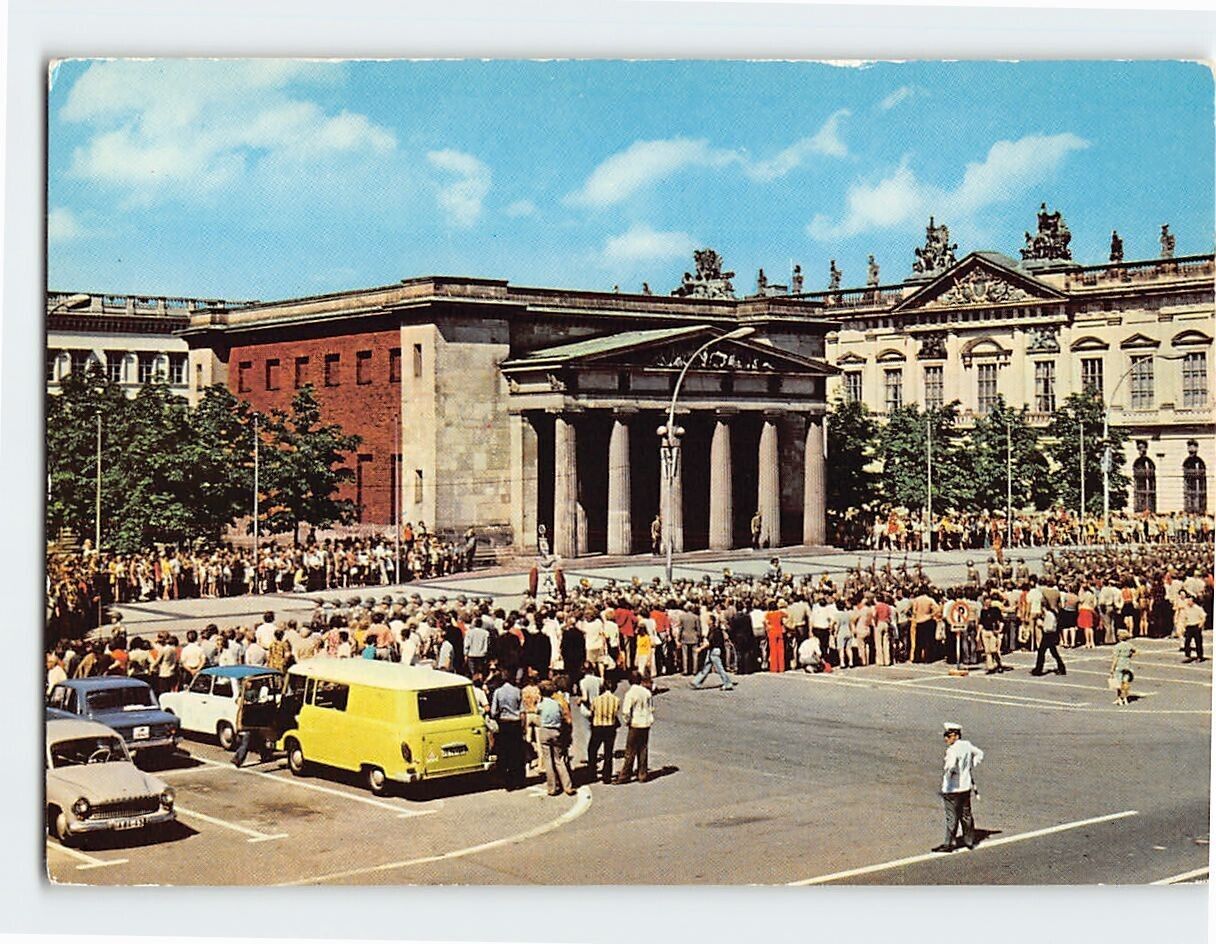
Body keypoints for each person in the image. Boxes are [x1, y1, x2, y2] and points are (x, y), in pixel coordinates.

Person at [934, 722, 984, 852]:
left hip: (952, 789)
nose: (945, 739)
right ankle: (969, 840)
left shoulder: (952, 750)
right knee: (966, 814)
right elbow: (979, 753)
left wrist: (949, 774)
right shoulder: (967, 745)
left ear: (955, 736)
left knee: (952, 816)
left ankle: (950, 843)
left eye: (948, 735)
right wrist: (969, 767)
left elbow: (950, 766)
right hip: (965, 787)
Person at [536, 681, 576, 796]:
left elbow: (537, 711)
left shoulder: (542, 704)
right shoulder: (556, 704)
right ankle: (567, 786)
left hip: (545, 730)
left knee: (548, 760)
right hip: (556, 731)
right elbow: (562, 715)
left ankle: (552, 787)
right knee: (559, 760)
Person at [614, 671, 655, 784]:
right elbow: (651, 708)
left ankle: (625, 775)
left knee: (630, 750)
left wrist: (627, 721)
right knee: (643, 748)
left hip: (635, 723)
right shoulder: (647, 692)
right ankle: (642, 774)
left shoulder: (630, 693)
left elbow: (626, 711)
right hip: (645, 723)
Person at [490, 670, 525, 790]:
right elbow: (522, 711)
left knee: (505, 752)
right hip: (515, 723)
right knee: (517, 752)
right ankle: (519, 780)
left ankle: (507, 781)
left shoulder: (498, 692)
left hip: (504, 723)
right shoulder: (517, 691)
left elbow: (493, 711)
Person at [585, 678, 621, 784]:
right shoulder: (616, 700)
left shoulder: (596, 699)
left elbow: (592, 712)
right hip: (610, 727)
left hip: (598, 727)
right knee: (608, 752)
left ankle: (592, 773)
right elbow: (615, 713)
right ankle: (607, 776)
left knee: (592, 750)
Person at [690, 617, 735, 690]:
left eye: (708, 620)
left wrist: (700, 649)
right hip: (712, 651)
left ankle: (727, 683)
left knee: (719, 669)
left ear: (711, 621)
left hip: (715, 651)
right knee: (706, 667)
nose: (707, 621)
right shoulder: (712, 630)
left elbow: (710, 643)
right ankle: (697, 681)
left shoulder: (715, 631)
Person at [1030, 605, 1066, 676]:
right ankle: (1061, 668)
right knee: (1053, 652)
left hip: (1049, 635)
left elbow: (1049, 628)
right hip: (1049, 635)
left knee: (1041, 652)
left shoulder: (1049, 615)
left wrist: (1041, 625)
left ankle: (1038, 669)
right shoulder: (1049, 615)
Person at [1110, 628, 1136, 706]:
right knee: (1125, 682)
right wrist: (1129, 655)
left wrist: (1112, 668)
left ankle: (1119, 698)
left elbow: (1115, 658)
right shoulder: (1129, 645)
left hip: (1119, 664)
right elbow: (1135, 650)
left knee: (1118, 682)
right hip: (1127, 664)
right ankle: (1125, 698)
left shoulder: (1117, 646)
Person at [1180, 592, 1207, 663]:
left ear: (1193, 601)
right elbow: (1184, 618)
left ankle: (1200, 656)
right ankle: (1188, 656)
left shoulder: (1198, 608)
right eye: (1188, 601)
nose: (1188, 602)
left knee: (1198, 642)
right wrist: (1184, 626)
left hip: (1196, 626)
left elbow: (1203, 617)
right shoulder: (1186, 609)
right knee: (1187, 642)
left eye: (1190, 601)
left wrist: (1200, 625)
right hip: (1189, 626)